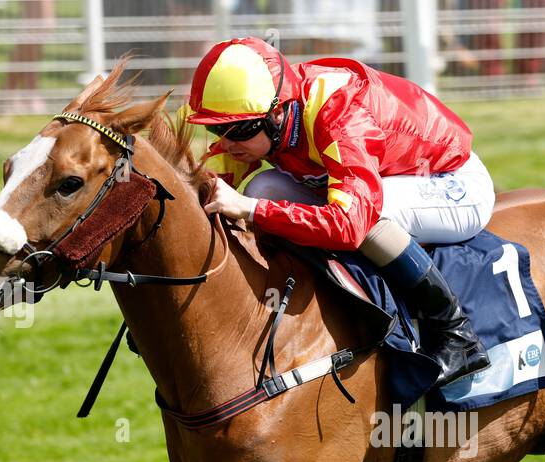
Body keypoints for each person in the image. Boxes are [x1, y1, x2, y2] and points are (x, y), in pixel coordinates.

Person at [186, 36, 494, 388]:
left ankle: (456, 334)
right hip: (386, 178)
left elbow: (350, 225)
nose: (225, 143)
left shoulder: (339, 113)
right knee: (262, 188)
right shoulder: (258, 117)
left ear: (276, 114)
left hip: (453, 182)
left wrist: (252, 210)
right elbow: (204, 194)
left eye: (236, 130)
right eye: (215, 129)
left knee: (373, 214)